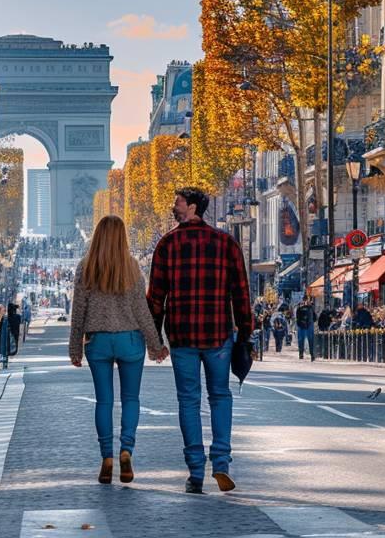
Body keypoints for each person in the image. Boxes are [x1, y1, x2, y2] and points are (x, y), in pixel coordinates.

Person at [147, 186, 252, 495]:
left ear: (192, 207)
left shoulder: (167, 245)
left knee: (188, 401)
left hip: (182, 336)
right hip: (219, 335)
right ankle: (220, 462)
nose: (172, 207)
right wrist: (245, 334)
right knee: (220, 397)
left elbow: (155, 298)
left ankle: (195, 469)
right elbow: (241, 294)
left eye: (177, 202)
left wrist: (154, 338)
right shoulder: (226, 243)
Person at [69, 215, 167, 485]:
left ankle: (106, 458)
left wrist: (75, 347)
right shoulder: (132, 267)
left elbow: (78, 311)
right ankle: (126, 449)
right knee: (131, 399)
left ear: (97, 236)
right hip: (130, 340)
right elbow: (141, 311)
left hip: (98, 341)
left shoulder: (85, 267)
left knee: (104, 401)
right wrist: (156, 345)